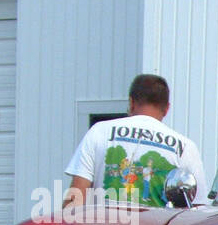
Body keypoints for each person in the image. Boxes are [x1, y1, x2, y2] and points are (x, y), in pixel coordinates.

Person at [65, 74, 208, 209]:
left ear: (131, 102)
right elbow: (197, 209)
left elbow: (75, 200)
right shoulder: (185, 147)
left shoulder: (99, 131)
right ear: (166, 109)